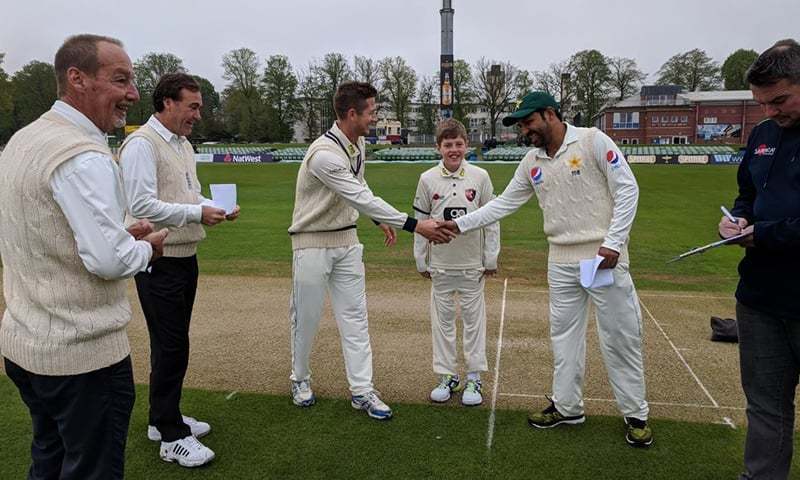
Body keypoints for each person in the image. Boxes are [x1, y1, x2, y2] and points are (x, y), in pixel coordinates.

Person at [440, 91, 652, 447]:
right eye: (521, 125)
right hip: (560, 260)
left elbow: (627, 189)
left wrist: (613, 242)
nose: (525, 131)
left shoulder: (591, 140)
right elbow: (504, 204)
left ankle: (636, 414)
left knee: (618, 336)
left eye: (528, 122)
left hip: (599, 258)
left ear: (550, 114)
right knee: (564, 337)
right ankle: (568, 407)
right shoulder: (532, 161)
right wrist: (456, 226)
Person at [0, 34, 167, 479]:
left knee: (49, 458)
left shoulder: (25, 138)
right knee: (91, 468)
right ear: (77, 79)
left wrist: (115, 236)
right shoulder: (82, 153)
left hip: (26, 346)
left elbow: (46, 228)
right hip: (82, 356)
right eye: (120, 79)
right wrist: (144, 247)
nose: (133, 93)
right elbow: (109, 262)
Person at [288, 81, 454, 420]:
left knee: (356, 319)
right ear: (352, 114)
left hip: (347, 241)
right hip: (312, 242)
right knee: (305, 319)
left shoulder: (357, 143)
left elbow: (359, 186)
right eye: (372, 112)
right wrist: (414, 225)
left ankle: (362, 390)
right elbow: (358, 195)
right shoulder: (323, 155)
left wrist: (377, 221)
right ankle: (300, 378)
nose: (375, 117)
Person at [118, 73, 239, 468]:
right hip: (157, 259)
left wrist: (211, 207)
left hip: (184, 255)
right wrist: (196, 211)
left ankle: (161, 418)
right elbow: (140, 204)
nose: (198, 115)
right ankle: (171, 436)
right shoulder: (141, 145)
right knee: (171, 345)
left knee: (171, 343)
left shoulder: (183, 145)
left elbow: (186, 195)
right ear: (168, 102)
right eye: (192, 106)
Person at [718, 38, 800, 480]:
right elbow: (748, 194)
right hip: (759, 300)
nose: (770, 111)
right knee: (766, 408)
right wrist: (737, 220)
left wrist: (760, 235)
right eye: (762, 102)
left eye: (781, 99)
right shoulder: (764, 134)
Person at [413, 118, 500, 406]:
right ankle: (447, 375)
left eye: (459, 144)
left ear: (467, 145)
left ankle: (474, 377)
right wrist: (421, 260)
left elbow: (492, 221)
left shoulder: (480, 177)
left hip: (472, 264)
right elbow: (420, 222)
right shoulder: (427, 179)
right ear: (438, 147)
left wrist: (491, 258)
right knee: (443, 323)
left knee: (475, 323)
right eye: (448, 145)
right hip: (440, 265)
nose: (454, 150)